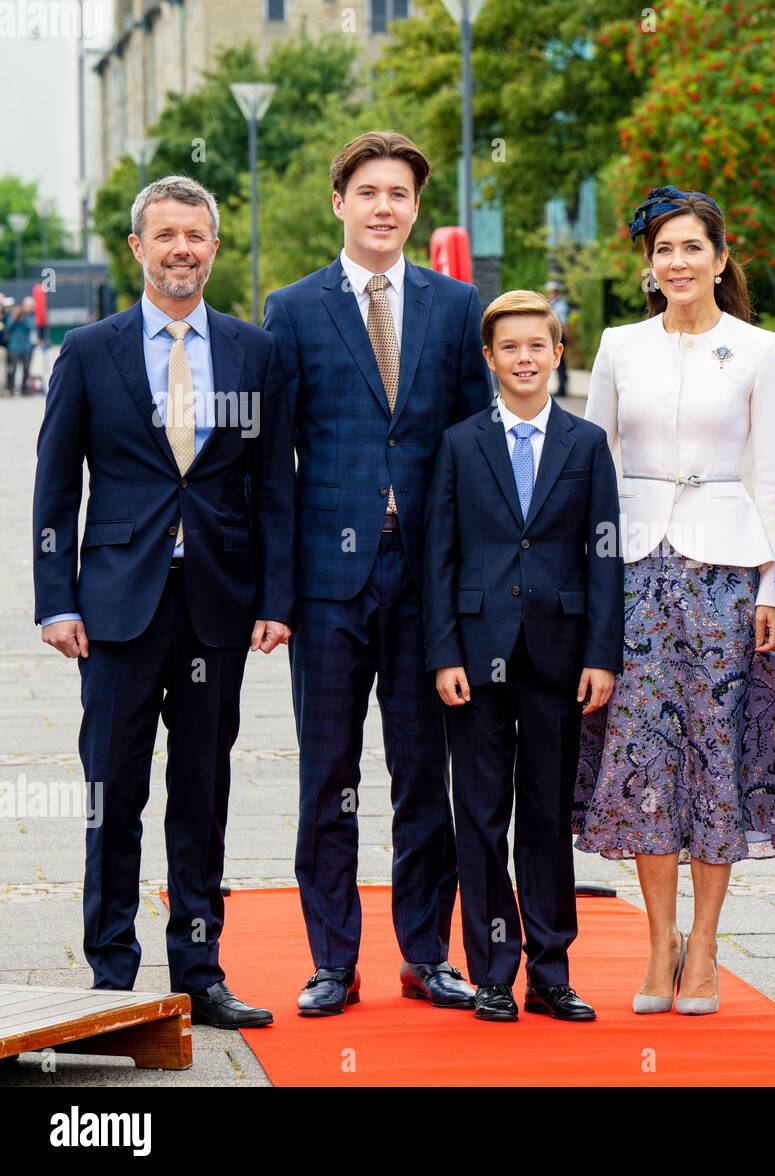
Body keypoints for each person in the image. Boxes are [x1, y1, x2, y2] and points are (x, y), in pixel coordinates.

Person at [31, 175, 296, 1028]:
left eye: (197, 235)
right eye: (165, 235)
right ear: (138, 248)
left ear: (214, 250)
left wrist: (276, 597)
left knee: (202, 792)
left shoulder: (254, 353)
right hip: (114, 608)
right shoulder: (88, 349)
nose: (182, 248)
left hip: (217, 605)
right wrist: (53, 601)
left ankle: (199, 967)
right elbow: (52, 487)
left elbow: (273, 489)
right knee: (113, 793)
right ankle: (109, 975)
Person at [575, 185, 775, 1018]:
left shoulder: (758, 349)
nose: (677, 262)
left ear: (720, 258)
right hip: (635, 571)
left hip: (725, 568)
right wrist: (590, 582)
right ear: (648, 264)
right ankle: (657, 947)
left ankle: (707, 947)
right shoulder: (618, 346)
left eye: (692, 248)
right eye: (664, 249)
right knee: (642, 755)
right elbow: (591, 467)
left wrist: (773, 586)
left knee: (714, 754)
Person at [263, 131, 493, 1017]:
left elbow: (473, 454)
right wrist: (276, 594)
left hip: (426, 584)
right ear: (339, 203)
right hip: (327, 583)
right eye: (369, 193)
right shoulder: (292, 310)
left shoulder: (455, 305)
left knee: (420, 776)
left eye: (399, 193)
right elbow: (272, 467)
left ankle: (426, 954)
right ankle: (331, 960)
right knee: (327, 777)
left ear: (415, 207)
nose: (385, 207)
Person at [426, 289, 623, 1022]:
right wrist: (444, 653)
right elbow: (440, 557)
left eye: (537, 346)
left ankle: (550, 971)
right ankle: (492, 971)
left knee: (544, 817)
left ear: (558, 352)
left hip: (558, 658)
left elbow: (604, 557)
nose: (524, 359)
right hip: (476, 659)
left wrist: (602, 655)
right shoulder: (458, 443)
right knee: (479, 817)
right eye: (509, 348)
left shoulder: (585, 444)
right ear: (490, 359)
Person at [545, 280, 569, 398]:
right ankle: (561, 387)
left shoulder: (560, 305)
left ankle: (562, 388)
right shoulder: (553, 304)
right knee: (558, 362)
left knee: (560, 362)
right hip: (554, 335)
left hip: (560, 335)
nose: (550, 294)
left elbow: (563, 323)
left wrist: (566, 335)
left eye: (552, 292)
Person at [7, 299, 35, 395]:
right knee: (13, 368)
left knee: (26, 369)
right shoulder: (11, 318)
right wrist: (15, 318)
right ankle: (11, 388)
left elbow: (30, 327)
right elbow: (8, 328)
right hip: (14, 347)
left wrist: (22, 319)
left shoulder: (28, 318)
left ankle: (24, 388)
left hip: (25, 348)